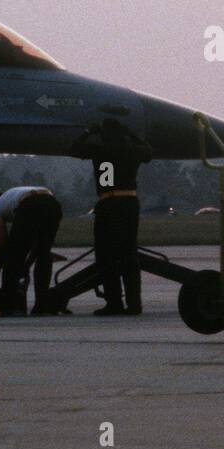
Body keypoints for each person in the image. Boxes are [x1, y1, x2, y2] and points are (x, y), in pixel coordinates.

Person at [70, 118, 153, 315]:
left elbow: (74, 149)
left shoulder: (102, 151)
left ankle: (114, 302)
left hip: (109, 202)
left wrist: (89, 130)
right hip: (130, 202)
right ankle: (134, 304)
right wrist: (133, 133)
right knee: (129, 254)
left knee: (106, 256)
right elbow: (149, 152)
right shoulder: (133, 150)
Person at [0, 186, 64, 315]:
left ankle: (9, 307)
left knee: (12, 258)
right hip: (53, 204)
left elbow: (3, 241)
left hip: (30, 205)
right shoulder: (12, 196)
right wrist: (26, 265)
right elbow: (36, 246)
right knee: (44, 254)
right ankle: (41, 306)